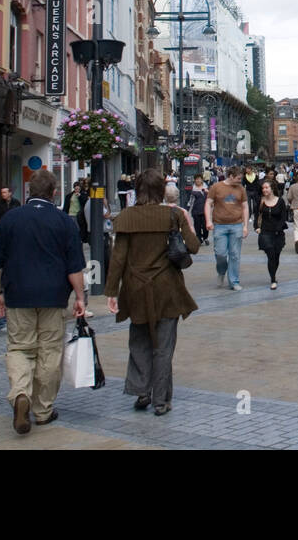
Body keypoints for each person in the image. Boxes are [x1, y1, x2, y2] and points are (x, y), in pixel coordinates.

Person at [0, 168, 86, 433]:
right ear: (54, 193)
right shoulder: (64, 221)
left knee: (20, 347)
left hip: (18, 294)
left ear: (29, 191)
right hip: (53, 295)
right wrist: (80, 297)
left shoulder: (10, 219)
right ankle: (43, 410)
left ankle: (21, 394)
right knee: (50, 350)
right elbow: (74, 267)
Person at [105, 168, 200, 416]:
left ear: (137, 190)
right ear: (161, 190)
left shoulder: (126, 217)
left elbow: (118, 259)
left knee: (139, 341)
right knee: (164, 346)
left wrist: (111, 292)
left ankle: (141, 391)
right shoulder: (173, 215)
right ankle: (161, 400)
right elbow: (193, 246)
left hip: (136, 288)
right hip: (167, 288)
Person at [205, 166, 249, 290]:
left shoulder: (241, 189)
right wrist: (208, 220)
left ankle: (234, 281)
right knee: (220, 253)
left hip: (236, 224)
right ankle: (221, 271)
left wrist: (245, 226)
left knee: (235, 254)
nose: (240, 181)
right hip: (219, 225)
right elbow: (208, 203)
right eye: (238, 178)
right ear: (230, 176)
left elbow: (245, 207)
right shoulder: (216, 187)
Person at [255, 180, 290, 289]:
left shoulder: (280, 201)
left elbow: (283, 217)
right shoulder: (261, 201)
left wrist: (278, 227)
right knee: (270, 255)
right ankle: (273, 279)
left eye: (266, 188)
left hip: (278, 233)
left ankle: (273, 274)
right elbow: (256, 215)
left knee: (276, 256)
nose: (264, 190)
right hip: (265, 232)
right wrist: (256, 227)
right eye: (263, 188)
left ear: (272, 188)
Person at [188, 176, 210, 245]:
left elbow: (210, 198)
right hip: (196, 211)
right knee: (197, 226)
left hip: (205, 211)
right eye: (196, 179)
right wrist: (188, 210)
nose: (198, 181)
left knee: (205, 226)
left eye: (199, 179)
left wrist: (208, 192)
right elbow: (190, 201)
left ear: (202, 180)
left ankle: (205, 237)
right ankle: (199, 239)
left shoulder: (206, 188)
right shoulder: (193, 190)